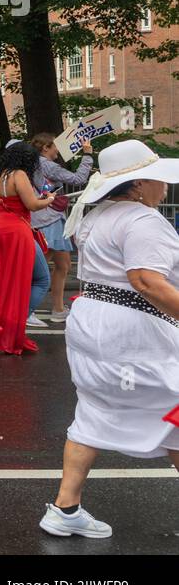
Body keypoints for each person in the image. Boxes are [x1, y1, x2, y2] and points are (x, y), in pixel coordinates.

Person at [39, 139, 179, 538]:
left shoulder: (96, 215)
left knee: (95, 407)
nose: (164, 188)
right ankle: (64, 511)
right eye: (157, 179)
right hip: (132, 325)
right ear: (137, 185)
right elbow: (146, 280)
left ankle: (65, 509)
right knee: (173, 402)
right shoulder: (143, 221)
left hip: (93, 320)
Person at [0, 141, 57, 355]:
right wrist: (48, 199)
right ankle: (12, 327)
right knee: (39, 279)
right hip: (17, 231)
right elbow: (32, 205)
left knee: (1, 282)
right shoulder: (19, 175)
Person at [29, 134, 95, 323]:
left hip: (48, 218)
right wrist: (87, 155)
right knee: (39, 269)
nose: (57, 150)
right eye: (55, 147)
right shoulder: (46, 164)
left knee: (63, 265)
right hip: (48, 219)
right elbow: (78, 179)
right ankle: (27, 309)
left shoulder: (33, 163)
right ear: (45, 148)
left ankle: (58, 309)